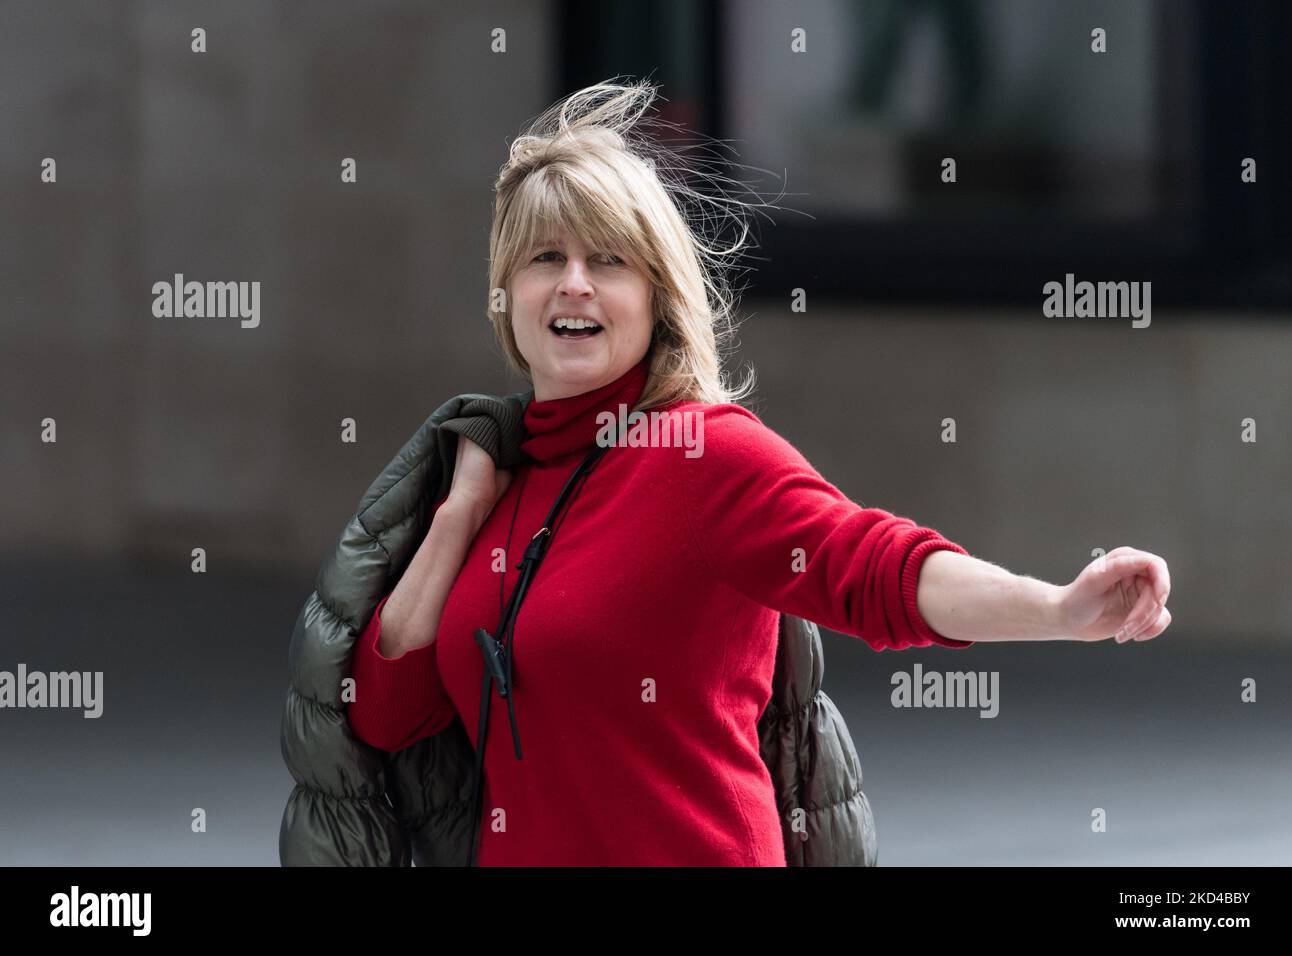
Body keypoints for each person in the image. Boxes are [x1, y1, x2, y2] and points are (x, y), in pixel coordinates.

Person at [345, 79, 1172, 867]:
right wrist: (460, 513)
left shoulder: (705, 455)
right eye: (544, 258)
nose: (574, 283)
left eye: (609, 260)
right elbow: (387, 715)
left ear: (657, 297)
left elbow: (873, 565)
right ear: (506, 294)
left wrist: (1060, 608)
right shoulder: (496, 482)